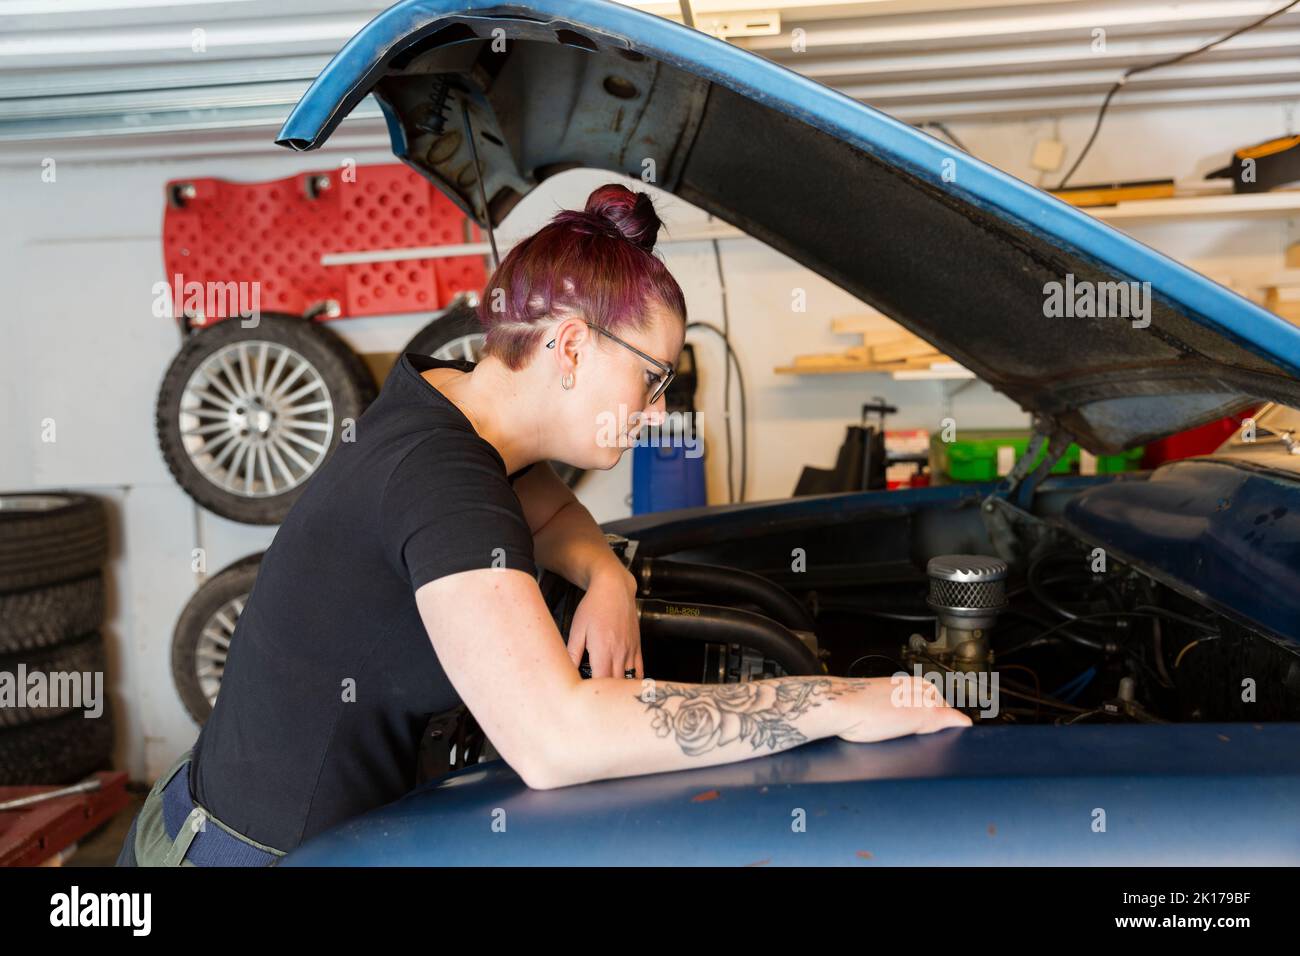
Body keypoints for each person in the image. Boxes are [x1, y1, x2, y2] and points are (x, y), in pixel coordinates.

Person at [116, 182, 968, 866]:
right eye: (653, 375)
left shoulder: (449, 402)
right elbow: (554, 741)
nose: (656, 407)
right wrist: (833, 702)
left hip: (235, 813)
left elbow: (544, 504)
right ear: (569, 347)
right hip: (244, 852)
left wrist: (607, 574)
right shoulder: (441, 477)